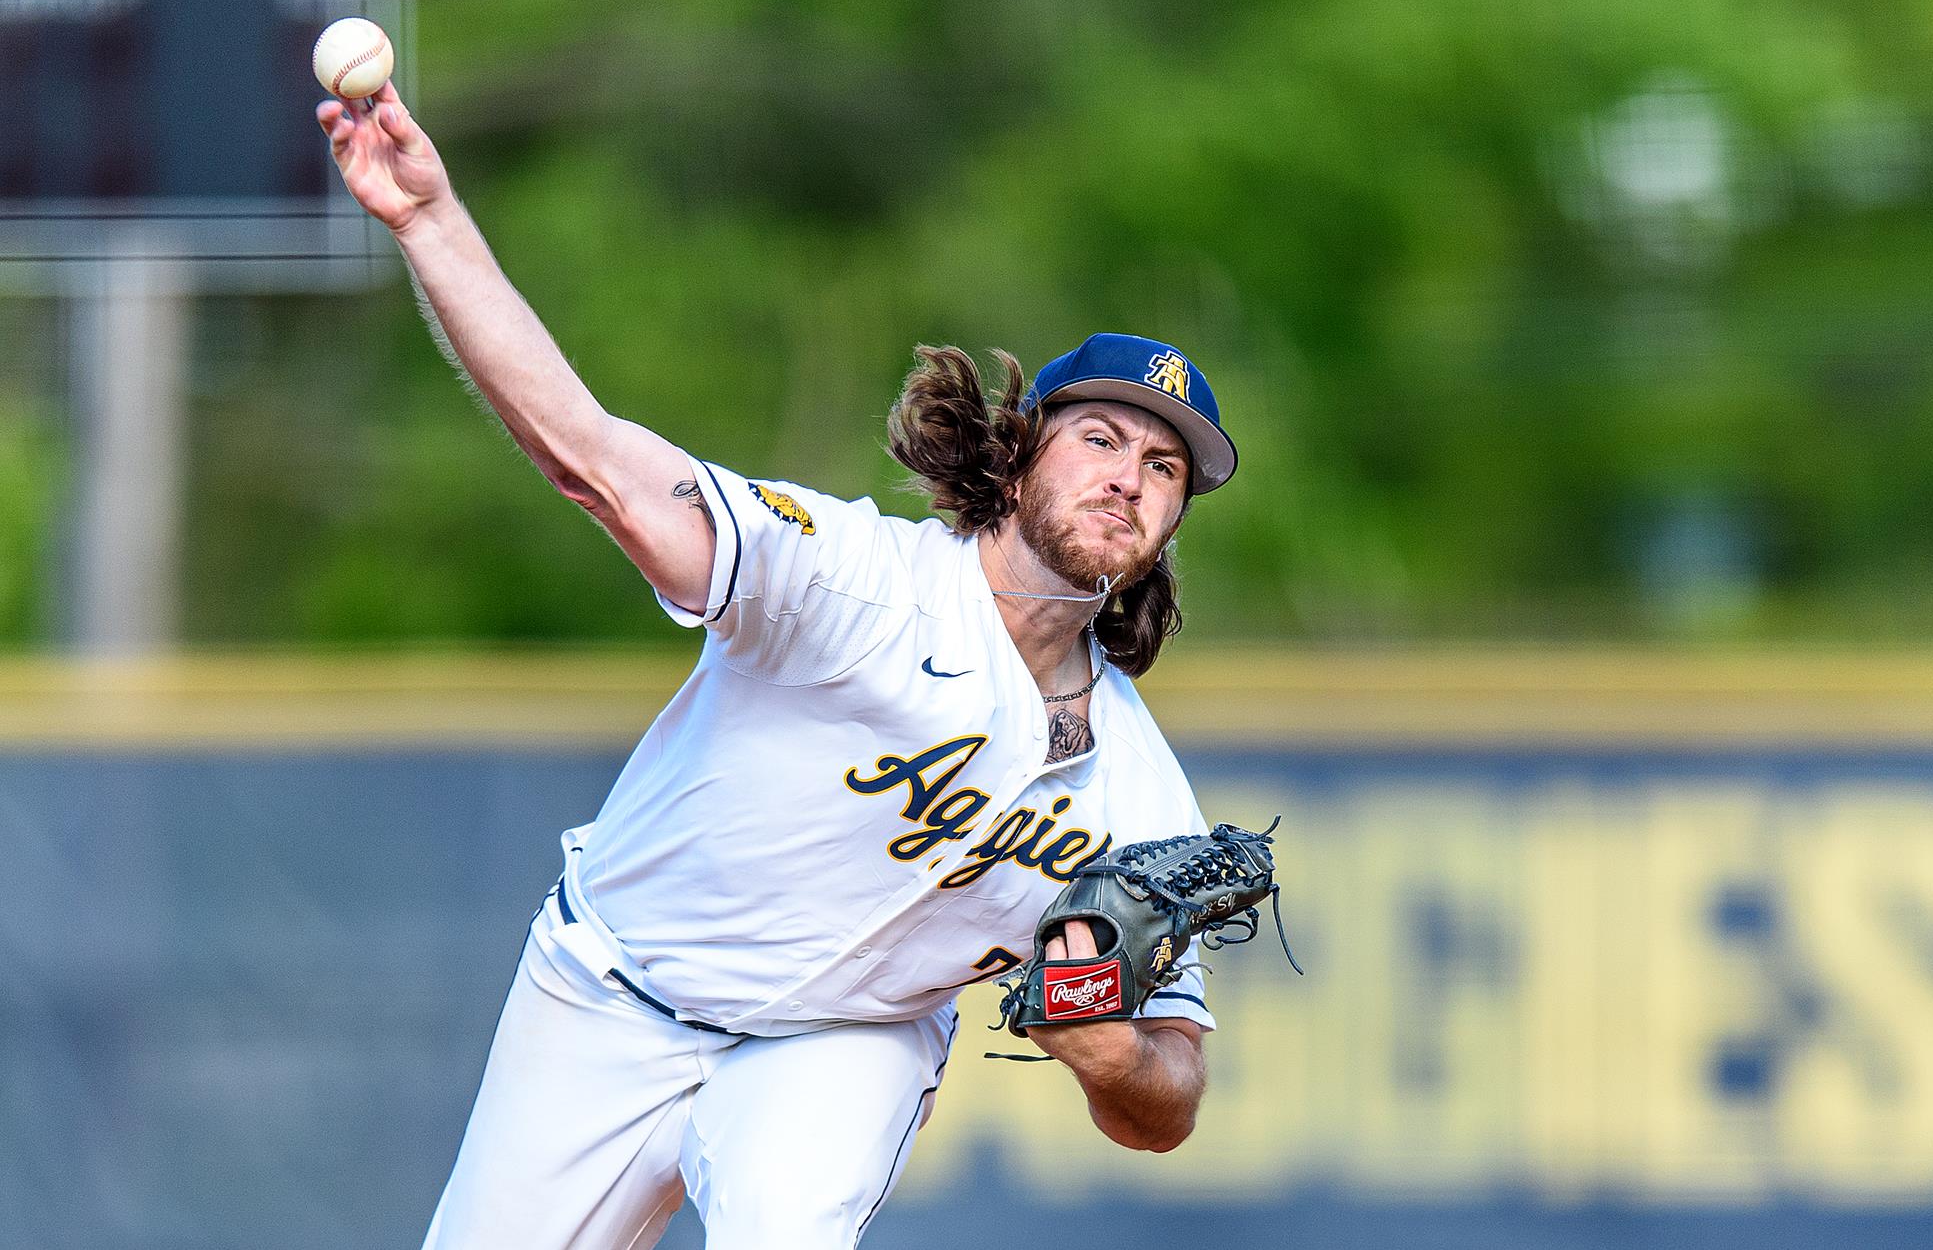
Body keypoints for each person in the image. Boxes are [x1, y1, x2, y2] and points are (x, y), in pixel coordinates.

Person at [318, 81, 1242, 1249]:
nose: (1130, 474)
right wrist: (431, 222)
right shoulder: (850, 578)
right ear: (1015, 461)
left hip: (841, 1043)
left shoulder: (1137, 794)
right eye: (1100, 438)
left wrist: (1110, 1048)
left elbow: (1168, 1101)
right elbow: (597, 462)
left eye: (1165, 468)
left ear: (1169, 522)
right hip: (609, 991)